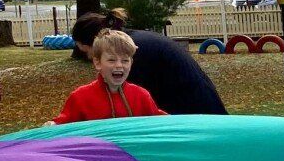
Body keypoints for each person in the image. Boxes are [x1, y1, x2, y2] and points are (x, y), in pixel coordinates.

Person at [70, 9, 227, 115]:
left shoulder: (131, 51)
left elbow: (131, 106)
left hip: (194, 114)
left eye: (86, 52)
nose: (90, 59)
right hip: (201, 106)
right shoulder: (131, 42)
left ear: (94, 42)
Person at [53, 29, 168, 124]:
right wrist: (52, 125)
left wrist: (176, 122)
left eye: (125, 61)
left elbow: (159, 121)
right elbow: (61, 126)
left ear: (131, 63)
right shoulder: (80, 97)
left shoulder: (141, 96)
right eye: (112, 60)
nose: (119, 65)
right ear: (98, 63)